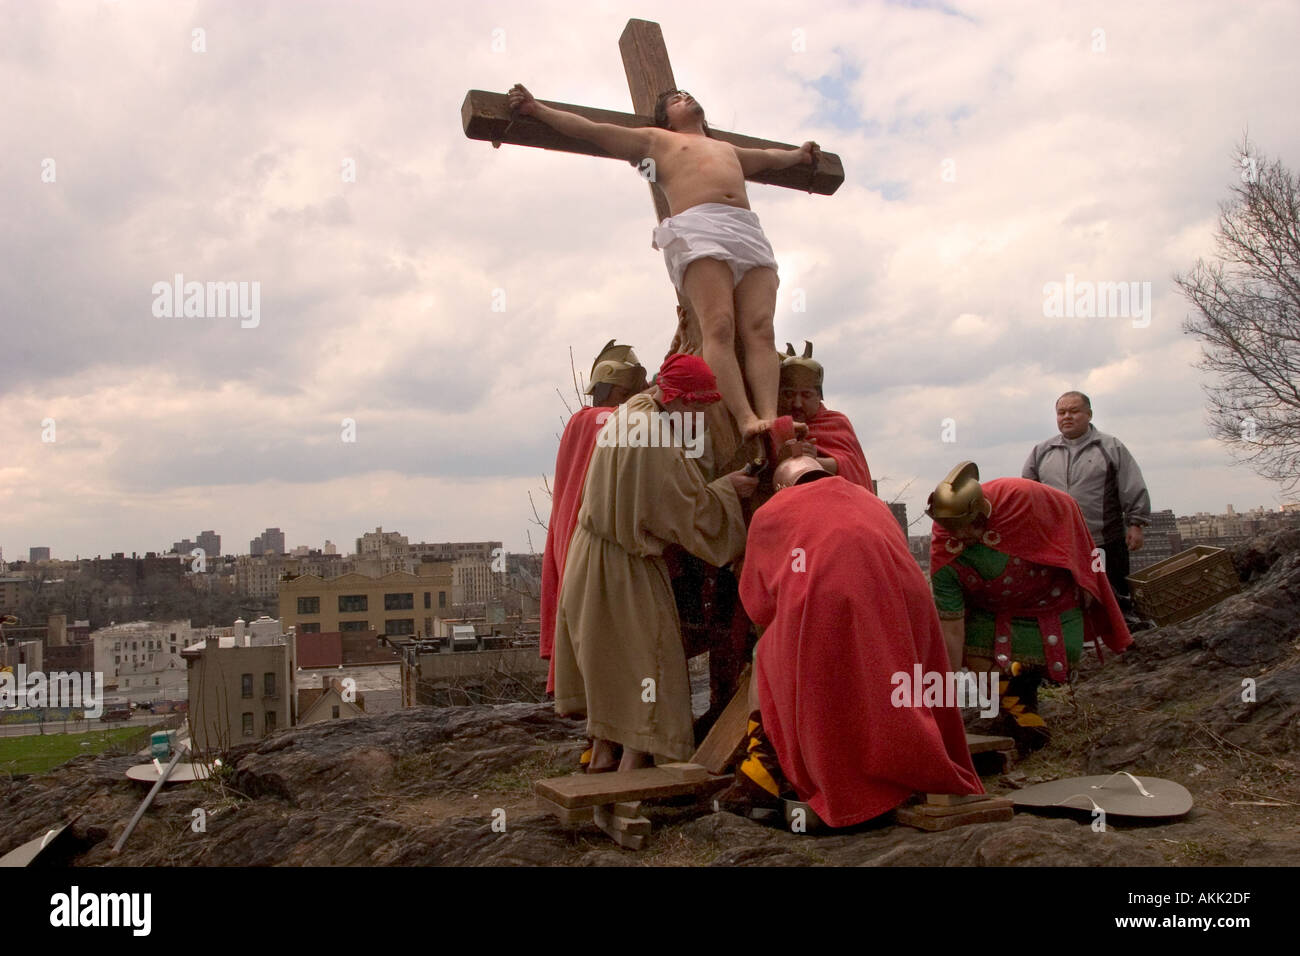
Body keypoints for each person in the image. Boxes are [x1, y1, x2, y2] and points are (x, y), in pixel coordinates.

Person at [505, 83, 818, 451]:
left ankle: (769, 415)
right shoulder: (656, 141)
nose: (684, 97)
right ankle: (746, 417)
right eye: (674, 99)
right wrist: (537, 109)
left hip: (745, 229)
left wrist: (799, 155)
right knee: (718, 325)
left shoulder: (727, 149)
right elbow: (592, 130)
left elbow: (769, 158)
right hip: (699, 226)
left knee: (761, 329)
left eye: (686, 94)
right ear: (665, 119)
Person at [717, 455, 983, 825]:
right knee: (887, 677)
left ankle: (763, 771)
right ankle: (908, 761)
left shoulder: (773, 510)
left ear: (781, 487)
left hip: (828, 599)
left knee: (769, 657)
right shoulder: (867, 498)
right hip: (904, 600)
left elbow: (759, 604)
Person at [553, 353, 757, 771]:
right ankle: (632, 777)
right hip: (627, 567)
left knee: (612, 667)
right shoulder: (653, 438)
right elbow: (690, 512)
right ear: (680, 398)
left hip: (590, 557)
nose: (699, 415)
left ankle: (604, 758)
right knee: (650, 667)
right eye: (698, 406)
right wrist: (729, 490)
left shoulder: (630, 412)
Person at [927, 462, 1132, 752]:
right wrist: (945, 694)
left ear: (980, 513)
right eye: (952, 530)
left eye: (966, 529)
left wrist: (1084, 573)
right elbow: (951, 627)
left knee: (1039, 664)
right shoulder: (946, 551)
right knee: (980, 660)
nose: (959, 538)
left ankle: (1025, 696)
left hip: (1048, 598)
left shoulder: (1023, 500)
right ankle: (1024, 720)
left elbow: (1068, 515)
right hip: (992, 610)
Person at [539, 341, 647, 696]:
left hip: (574, 548)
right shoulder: (605, 420)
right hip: (598, 554)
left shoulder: (579, 423)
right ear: (620, 388)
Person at [1023, 391, 1151, 612]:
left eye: (1074, 411)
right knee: (1062, 599)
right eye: (1061, 412)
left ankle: (1123, 642)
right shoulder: (1042, 451)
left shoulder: (1110, 447)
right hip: (1058, 544)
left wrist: (1136, 523)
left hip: (1102, 542)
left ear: (1089, 414)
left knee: (1112, 598)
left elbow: (1131, 485)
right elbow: (1027, 493)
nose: (1067, 417)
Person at [775, 341, 872, 488]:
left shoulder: (836, 422)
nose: (797, 404)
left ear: (819, 396)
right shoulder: (772, 425)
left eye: (806, 395)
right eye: (789, 394)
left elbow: (851, 465)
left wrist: (811, 460)